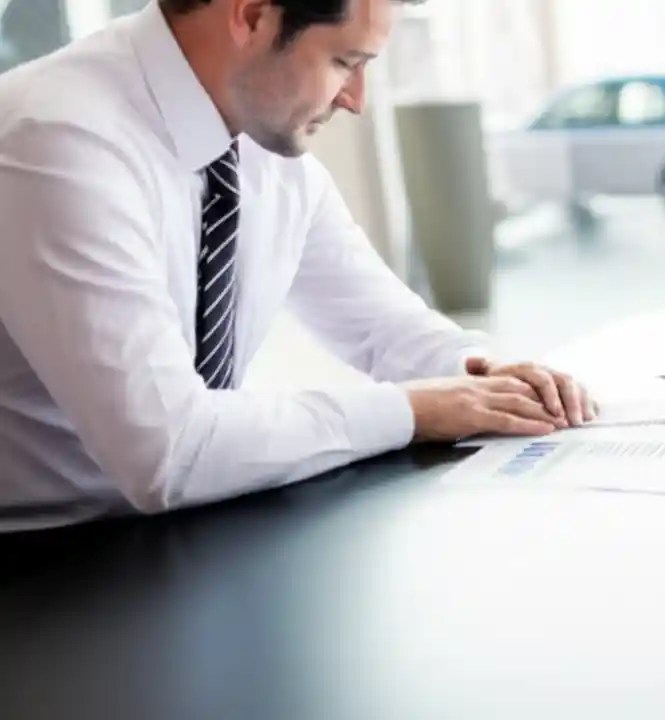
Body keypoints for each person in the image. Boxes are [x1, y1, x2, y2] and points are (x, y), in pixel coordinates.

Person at [0, 0, 596, 533]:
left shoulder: (261, 141)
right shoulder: (56, 138)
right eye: (345, 61)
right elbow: (168, 449)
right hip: (45, 570)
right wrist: (414, 409)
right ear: (253, 15)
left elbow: (382, 327)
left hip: (184, 535)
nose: (357, 100)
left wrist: (481, 372)